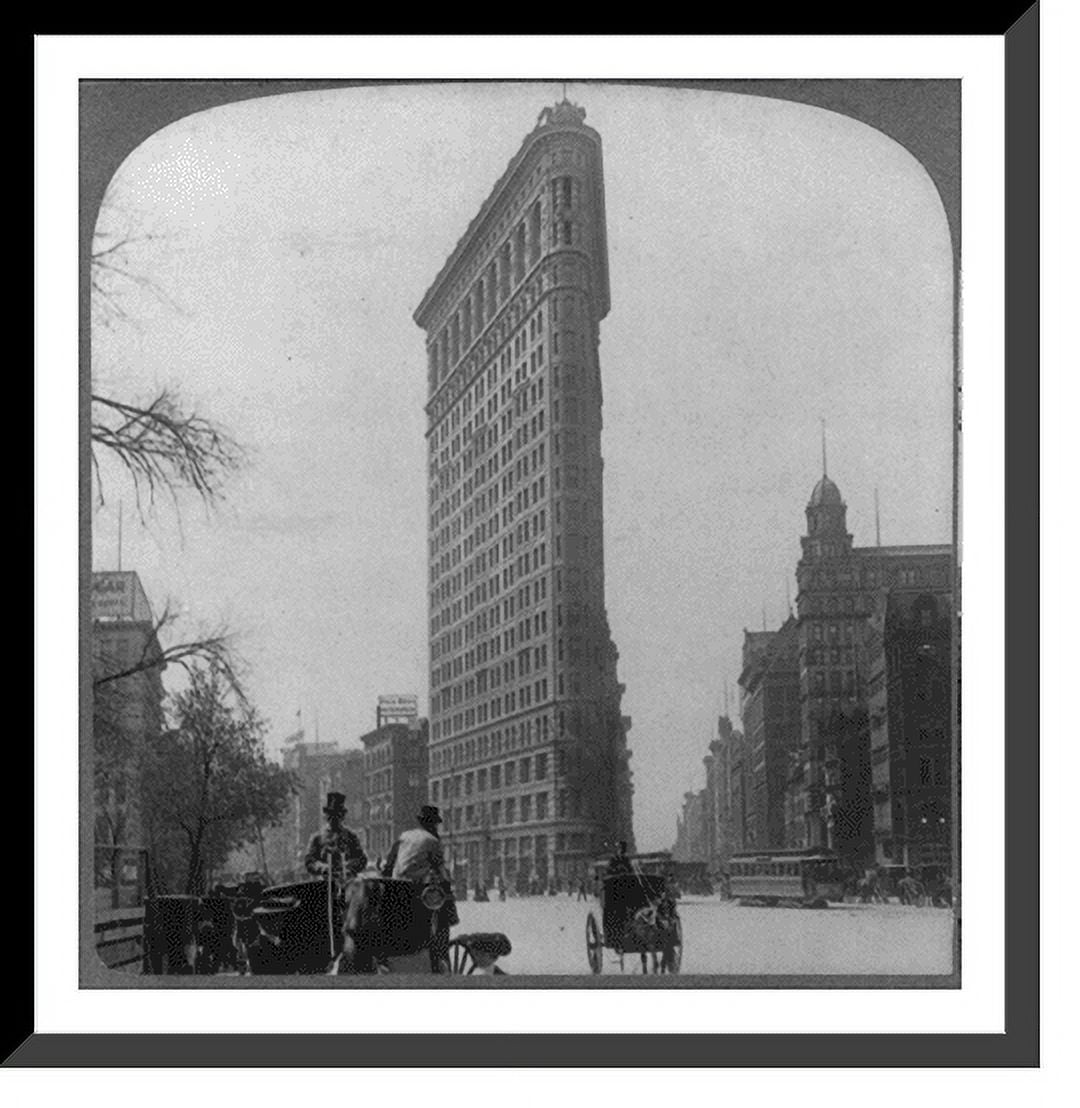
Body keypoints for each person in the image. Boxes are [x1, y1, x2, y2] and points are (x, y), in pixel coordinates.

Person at [382, 805, 459, 928]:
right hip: (417, 885)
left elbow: (390, 861)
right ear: (432, 824)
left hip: (397, 882)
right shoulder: (433, 841)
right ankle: (450, 916)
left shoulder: (404, 836)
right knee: (445, 886)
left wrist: (387, 877)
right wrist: (447, 882)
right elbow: (439, 867)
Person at [305, 792, 368, 882]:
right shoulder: (317, 838)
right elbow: (310, 861)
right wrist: (323, 868)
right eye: (331, 815)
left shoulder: (351, 837)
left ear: (342, 816)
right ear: (326, 816)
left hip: (347, 884)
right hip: (323, 884)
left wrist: (348, 867)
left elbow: (361, 859)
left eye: (337, 815)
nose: (334, 819)